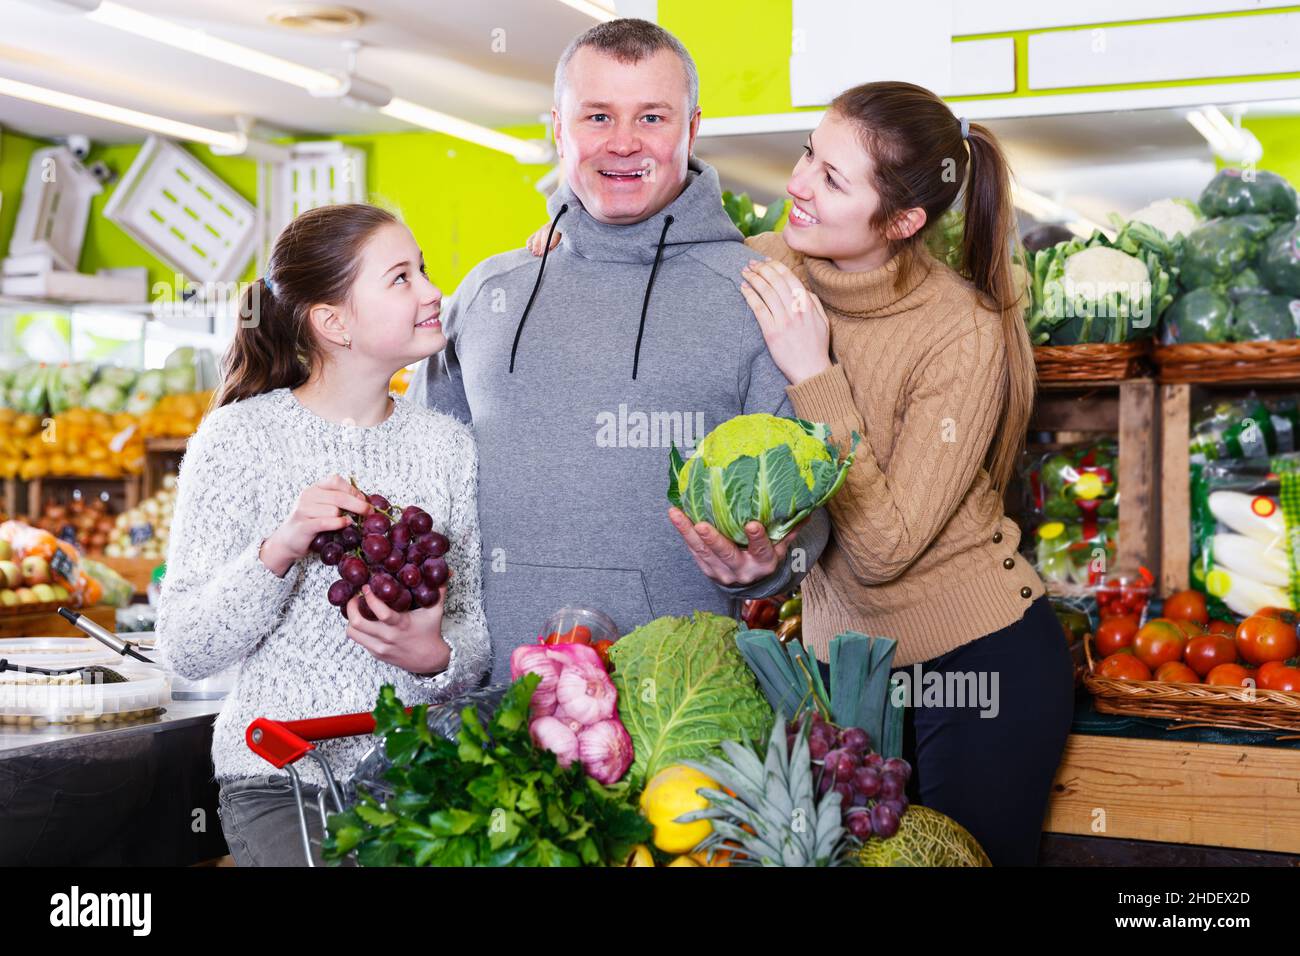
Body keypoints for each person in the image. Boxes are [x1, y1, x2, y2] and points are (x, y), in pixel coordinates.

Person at [532, 81, 1073, 866]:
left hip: (976, 660)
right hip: (838, 668)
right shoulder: (768, 265)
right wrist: (561, 254)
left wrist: (813, 373)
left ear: (903, 222)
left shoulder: (964, 332)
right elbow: (648, 267)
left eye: (832, 179)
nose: (797, 184)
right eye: (808, 154)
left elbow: (885, 549)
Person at [407, 18, 827, 683]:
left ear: (690, 130)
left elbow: (812, 508)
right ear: (559, 128)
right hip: (483, 715)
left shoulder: (756, 299)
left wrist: (769, 565)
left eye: (652, 117)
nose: (624, 143)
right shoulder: (490, 292)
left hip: (678, 715)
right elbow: (422, 480)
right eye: (597, 115)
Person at [156, 203, 490, 866]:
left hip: (413, 774)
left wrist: (435, 656)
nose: (432, 292)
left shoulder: (450, 448)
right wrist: (278, 551)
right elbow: (187, 648)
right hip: (279, 779)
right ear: (333, 322)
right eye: (401, 278)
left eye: (422, 270)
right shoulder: (237, 440)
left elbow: (475, 628)